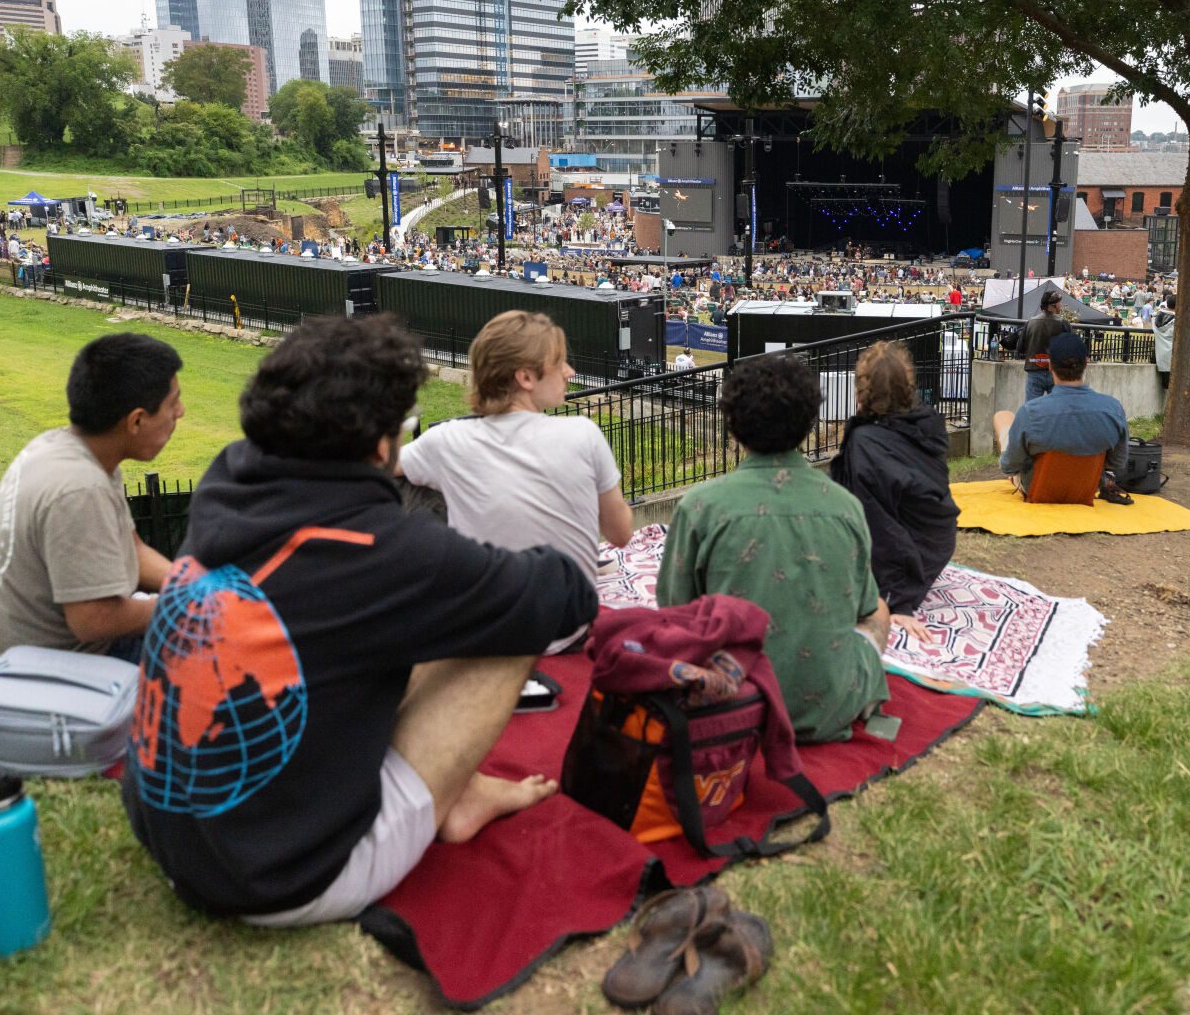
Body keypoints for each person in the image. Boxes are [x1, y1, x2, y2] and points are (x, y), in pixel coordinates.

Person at [123, 315, 597, 926]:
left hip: (175, 837)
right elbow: (565, 593)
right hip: (278, 876)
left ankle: (456, 786)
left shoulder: (228, 480)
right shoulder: (380, 551)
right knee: (512, 615)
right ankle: (450, 798)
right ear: (380, 446)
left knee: (458, 609)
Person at [656, 352, 892, 744]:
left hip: (728, 704)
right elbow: (864, 608)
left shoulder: (699, 507)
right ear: (809, 421)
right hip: (828, 708)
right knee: (880, 610)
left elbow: (674, 611)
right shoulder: (845, 506)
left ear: (733, 424)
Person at [399, 311, 632, 652]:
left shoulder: (445, 440)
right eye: (560, 363)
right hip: (565, 628)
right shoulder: (583, 433)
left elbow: (378, 469)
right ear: (525, 376)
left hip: (483, 631)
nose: (571, 372)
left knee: (417, 486)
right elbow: (621, 533)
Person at [0, 334, 185, 666]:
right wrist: (188, 608)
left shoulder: (72, 449)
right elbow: (94, 620)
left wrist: (193, 585)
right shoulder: (80, 489)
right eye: (173, 403)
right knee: (219, 656)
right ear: (137, 420)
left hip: (42, 656)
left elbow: (132, 551)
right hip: (49, 677)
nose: (181, 413)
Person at [829, 341, 958, 628]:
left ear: (861, 391)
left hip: (909, 557)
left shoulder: (866, 442)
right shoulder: (926, 422)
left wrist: (897, 599)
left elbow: (878, 521)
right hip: (938, 543)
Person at [993, 334, 1132, 503]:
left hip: (1038, 490)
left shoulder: (1030, 412)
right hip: (1086, 489)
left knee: (1003, 417)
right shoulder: (1113, 409)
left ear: (1050, 365)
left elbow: (1009, 466)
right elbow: (1116, 463)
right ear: (1086, 363)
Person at [1019, 288, 1067, 402]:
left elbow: (1019, 347)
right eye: (1060, 303)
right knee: (1056, 412)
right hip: (1055, 373)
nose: (1061, 306)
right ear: (1053, 305)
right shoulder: (1063, 324)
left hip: (1034, 370)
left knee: (1031, 411)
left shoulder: (1030, 322)